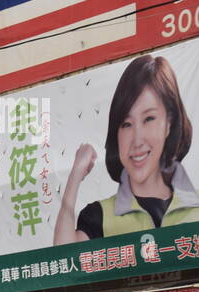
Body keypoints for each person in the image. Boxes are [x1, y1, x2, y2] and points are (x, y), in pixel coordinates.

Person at [55, 54, 199, 245]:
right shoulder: (100, 215)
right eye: (126, 124)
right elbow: (65, 260)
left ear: (169, 123)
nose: (137, 140)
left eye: (149, 119)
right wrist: (75, 176)